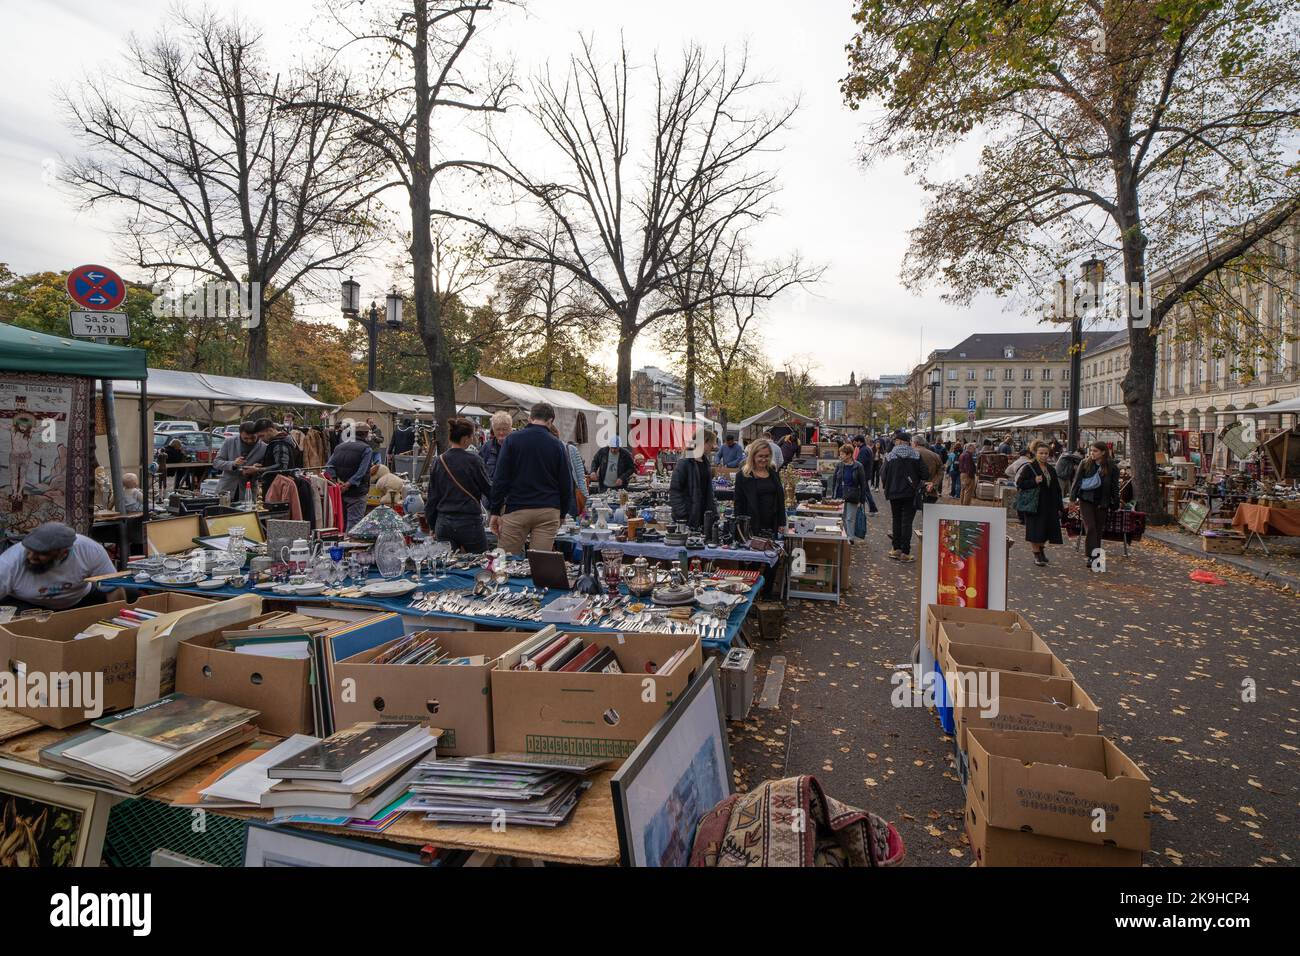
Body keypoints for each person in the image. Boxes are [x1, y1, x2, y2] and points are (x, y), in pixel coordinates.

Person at [488, 403, 574, 555]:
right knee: (540, 563)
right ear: (550, 421)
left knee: (506, 561)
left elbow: (500, 478)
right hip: (548, 510)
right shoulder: (558, 445)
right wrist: (562, 513)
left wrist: (495, 510)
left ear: (529, 418)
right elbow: (566, 483)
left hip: (517, 508)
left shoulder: (512, 440)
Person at [0, 522, 120, 611]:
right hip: (28, 605)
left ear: (64, 553)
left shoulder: (90, 550)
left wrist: (116, 621)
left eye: (41, 553)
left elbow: (113, 588)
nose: (31, 557)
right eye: (29, 550)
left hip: (79, 599)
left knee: (130, 594)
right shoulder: (8, 563)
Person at [426, 418, 491, 553]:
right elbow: (488, 489)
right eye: (471, 436)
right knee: (480, 563)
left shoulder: (439, 461)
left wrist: (432, 525)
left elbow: (432, 497)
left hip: (444, 522)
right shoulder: (474, 460)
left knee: (447, 566)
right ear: (465, 439)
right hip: (469, 522)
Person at [1069, 442, 1120, 568]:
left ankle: (1096, 558)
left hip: (1102, 501)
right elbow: (1076, 481)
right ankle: (1092, 556)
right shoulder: (1085, 463)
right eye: (1091, 450)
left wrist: (1116, 502)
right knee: (1090, 527)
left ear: (1103, 452)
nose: (1092, 453)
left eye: (1095, 451)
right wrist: (1072, 499)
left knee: (1098, 530)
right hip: (1086, 499)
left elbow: (1114, 486)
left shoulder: (1111, 467)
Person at [1017, 441, 1064, 567]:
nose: (1044, 456)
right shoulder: (1029, 467)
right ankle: (1036, 554)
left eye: (1046, 453)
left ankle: (1041, 551)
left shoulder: (1051, 469)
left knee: (1046, 530)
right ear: (1035, 453)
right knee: (1034, 531)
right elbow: (1020, 484)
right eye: (1041, 453)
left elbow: (1056, 488)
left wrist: (1060, 505)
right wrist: (1034, 481)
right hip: (1034, 505)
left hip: (1049, 504)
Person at [881, 431, 925, 562]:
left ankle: (896, 549)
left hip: (894, 492)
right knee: (907, 522)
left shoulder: (890, 456)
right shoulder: (916, 455)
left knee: (896, 519)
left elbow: (883, 474)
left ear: (899, 441)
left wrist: (887, 486)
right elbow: (925, 473)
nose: (894, 442)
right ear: (908, 442)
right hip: (910, 493)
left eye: (896, 441)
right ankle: (905, 553)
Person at [324, 423, 374, 531]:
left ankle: (342, 545)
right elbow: (362, 471)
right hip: (357, 491)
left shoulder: (339, 447)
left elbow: (329, 465)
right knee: (354, 524)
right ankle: (350, 546)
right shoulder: (366, 449)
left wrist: (335, 480)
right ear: (365, 434)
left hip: (340, 491)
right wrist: (349, 484)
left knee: (342, 523)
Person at [734, 439, 786, 538]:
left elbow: (780, 499)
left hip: (772, 524)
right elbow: (738, 503)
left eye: (766, 456)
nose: (764, 459)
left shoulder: (774, 474)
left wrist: (781, 522)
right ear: (753, 456)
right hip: (751, 524)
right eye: (760, 456)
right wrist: (739, 526)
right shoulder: (742, 476)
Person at [670, 429, 718, 530]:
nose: (713, 446)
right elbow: (675, 491)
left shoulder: (705, 462)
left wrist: (713, 513)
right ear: (704, 441)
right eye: (711, 443)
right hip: (688, 517)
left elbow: (708, 490)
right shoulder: (684, 462)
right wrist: (682, 515)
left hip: (702, 515)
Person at [213, 421, 266, 502]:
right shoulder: (229, 442)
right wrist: (233, 464)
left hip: (248, 491)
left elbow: (264, 469)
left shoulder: (264, 447)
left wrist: (255, 471)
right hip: (227, 488)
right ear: (240, 434)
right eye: (245, 438)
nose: (249, 441)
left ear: (257, 434)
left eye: (253, 438)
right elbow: (216, 462)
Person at [252, 419, 301, 495]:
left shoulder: (279, 444)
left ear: (270, 430)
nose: (261, 440)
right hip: (279, 485)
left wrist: (259, 469)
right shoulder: (280, 441)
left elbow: (282, 467)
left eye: (262, 436)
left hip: (279, 487)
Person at [833, 443, 869, 543]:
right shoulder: (839, 465)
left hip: (853, 494)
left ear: (849, 455)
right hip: (840, 494)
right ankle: (843, 536)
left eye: (842, 454)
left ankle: (850, 537)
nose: (840, 456)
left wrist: (862, 499)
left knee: (849, 518)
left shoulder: (858, 466)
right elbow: (835, 480)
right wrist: (833, 495)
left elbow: (863, 483)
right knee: (841, 516)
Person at [912, 435, 943, 504]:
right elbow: (940, 472)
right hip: (930, 490)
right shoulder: (935, 455)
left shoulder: (910, 454)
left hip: (912, 490)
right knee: (927, 513)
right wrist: (933, 483)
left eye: (911, 442)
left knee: (908, 513)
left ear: (915, 443)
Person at [481, 412, 512, 480]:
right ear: (493, 430)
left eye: (504, 429)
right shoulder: (487, 447)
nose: (501, 432)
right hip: (491, 488)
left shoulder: (517, 447)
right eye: (498, 429)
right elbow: (480, 471)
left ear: (510, 429)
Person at [854, 437, 879, 513]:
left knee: (865, 492)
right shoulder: (866, 449)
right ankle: (872, 508)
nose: (855, 444)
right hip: (866, 473)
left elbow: (860, 463)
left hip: (864, 474)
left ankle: (873, 509)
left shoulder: (863, 450)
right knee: (865, 491)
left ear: (859, 441)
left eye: (856, 442)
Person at [959, 442, 978, 506]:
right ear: (970, 448)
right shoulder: (968, 455)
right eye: (974, 448)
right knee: (968, 492)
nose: (974, 449)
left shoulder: (962, 454)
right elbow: (968, 467)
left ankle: (962, 505)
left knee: (963, 490)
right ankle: (965, 506)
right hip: (967, 475)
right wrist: (971, 476)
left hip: (962, 474)